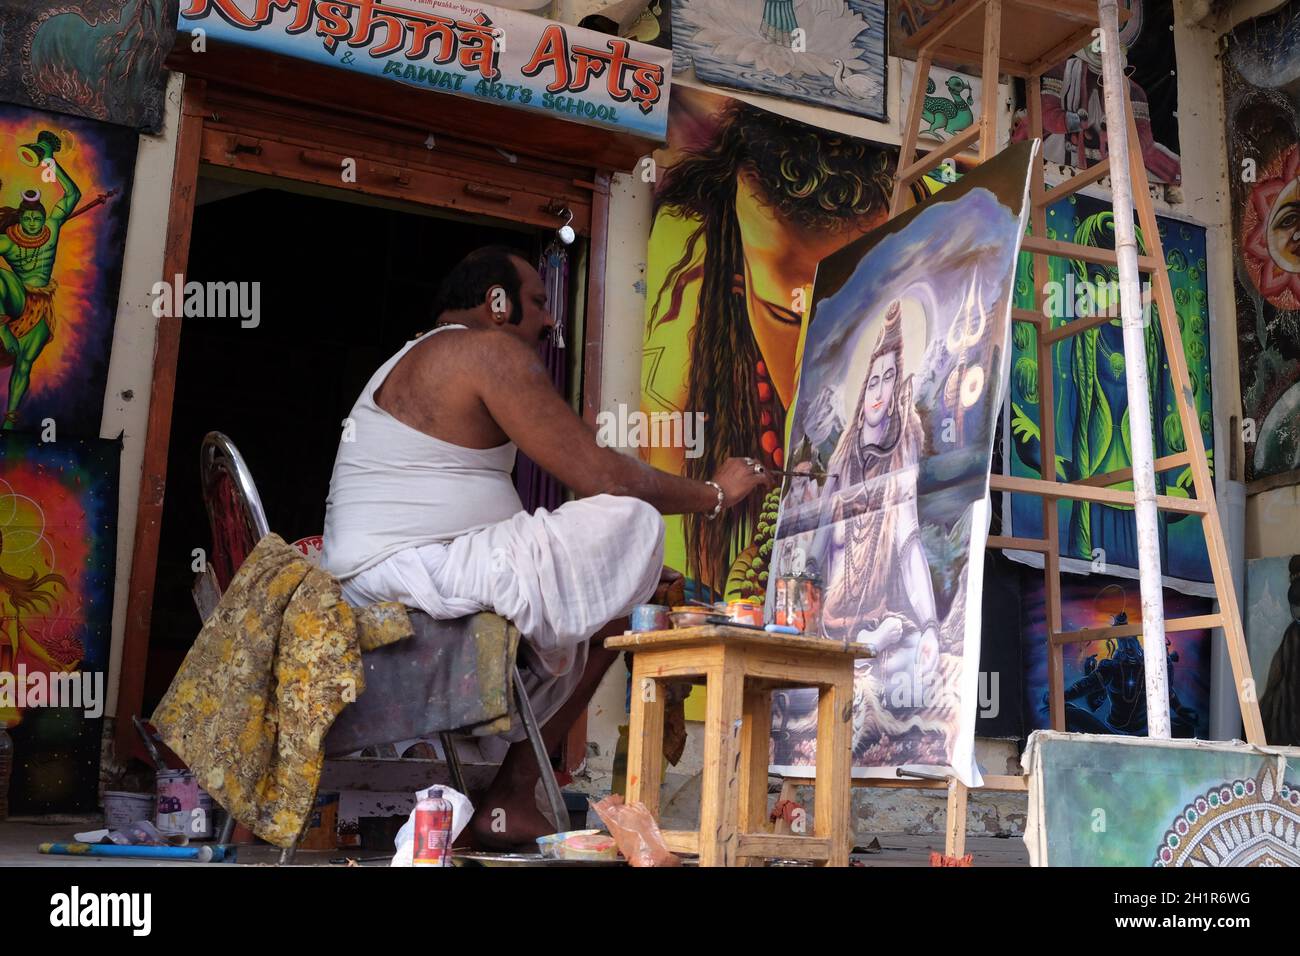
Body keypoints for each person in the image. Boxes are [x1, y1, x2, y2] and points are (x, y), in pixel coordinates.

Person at [321, 246, 772, 849]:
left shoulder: (416, 356)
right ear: (497, 304)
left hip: (400, 570)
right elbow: (600, 476)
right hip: (409, 575)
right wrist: (716, 492)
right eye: (537, 302)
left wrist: (623, 572)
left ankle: (511, 796)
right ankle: (511, 794)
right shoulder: (484, 350)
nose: (550, 321)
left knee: (623, 583)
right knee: (631, 524)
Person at [0, 132, 81, 428]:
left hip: (40, 308)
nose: (33, 223)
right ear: (19, 219)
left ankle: (8, 422)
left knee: (24, 365)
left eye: (37, 217)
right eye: (27, 218)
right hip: (15, 298)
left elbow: (72, 196)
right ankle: (3, 329)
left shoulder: (52, 229)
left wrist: (49, 159)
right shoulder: (7, 242)